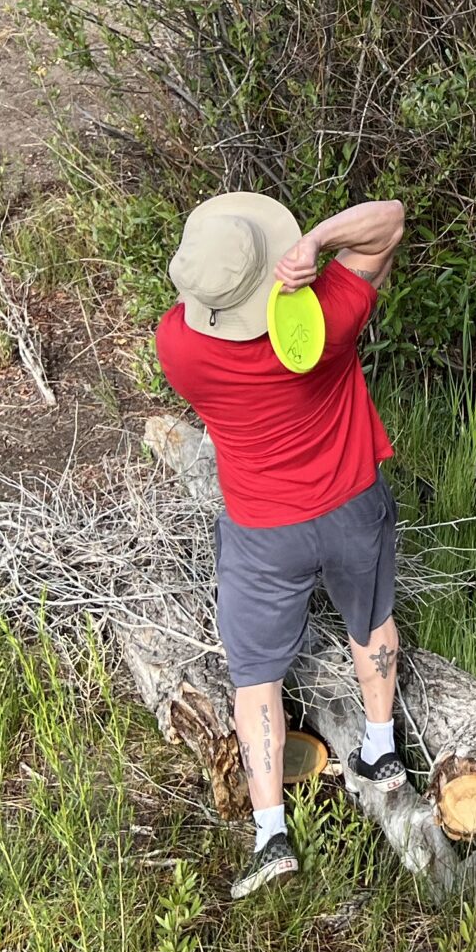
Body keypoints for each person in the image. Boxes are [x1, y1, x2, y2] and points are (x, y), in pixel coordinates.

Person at [156, 189, 408, 900]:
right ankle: (381, 754)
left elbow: (200, 315)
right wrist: (317, 243)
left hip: (263, 531)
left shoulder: (178, 346)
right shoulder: (327, 316)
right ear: (272, 264)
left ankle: (272, 835)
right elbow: (388, 221)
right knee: (370, 623)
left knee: (256, 678)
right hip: (352, 503)